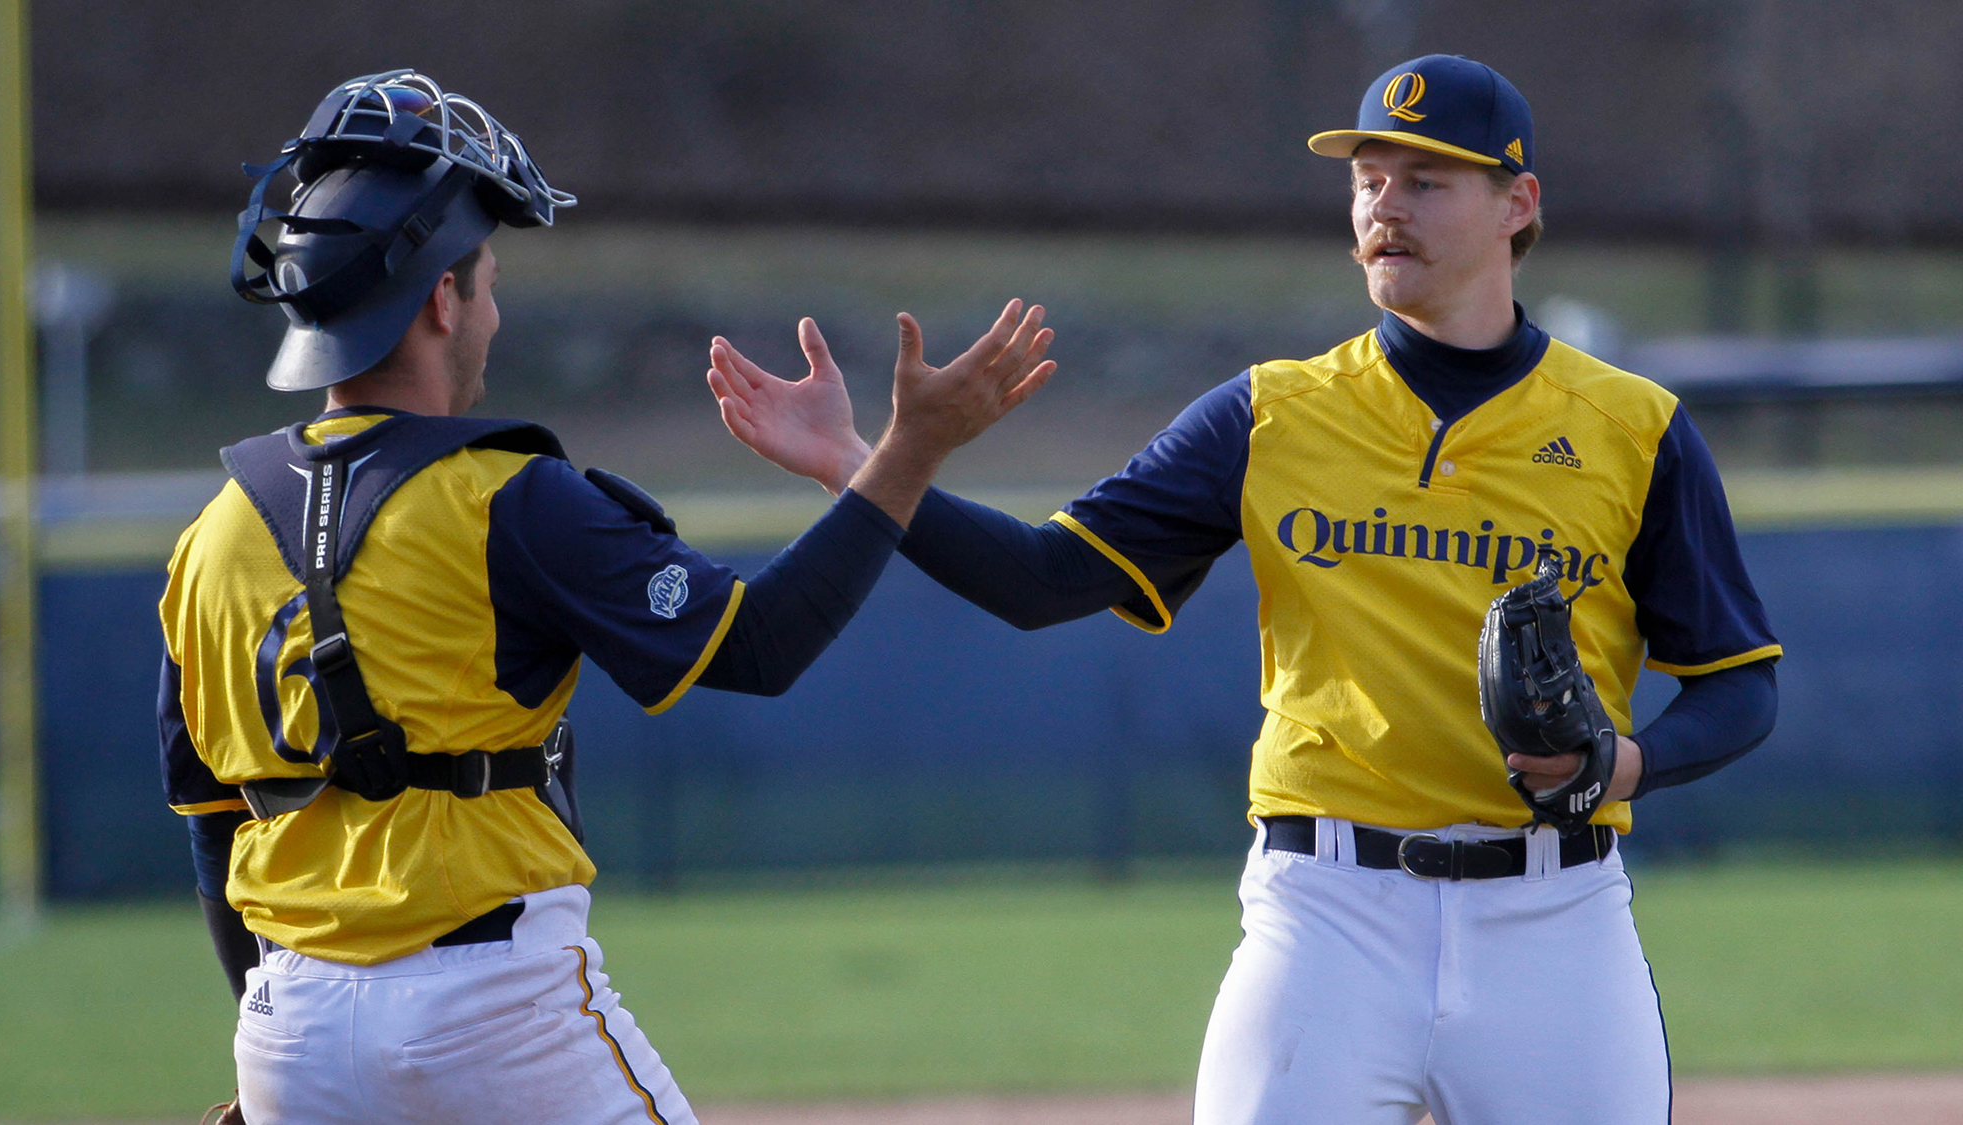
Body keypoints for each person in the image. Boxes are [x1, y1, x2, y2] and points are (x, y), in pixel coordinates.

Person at [707, 54, 1781, 1125]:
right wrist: (863, 465)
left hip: (1554, 917)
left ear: (1518, 203)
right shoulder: (1270, 414)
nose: (1385, 207)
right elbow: (1042, 580)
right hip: (1328, 917)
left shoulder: (1633, 428)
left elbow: (1737, 684)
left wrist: (1625, 764)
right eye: (1367, 179)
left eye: (1425, 181)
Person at [161, 70, 1053, 1125]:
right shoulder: (508, 497)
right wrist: (909, 450)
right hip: (489, 1016)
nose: (491, 311)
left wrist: (282, 1045)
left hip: (287, 1031)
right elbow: (759, 646)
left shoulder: (209, 537)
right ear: (441, 299)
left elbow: (216, 827)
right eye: (486, 282)